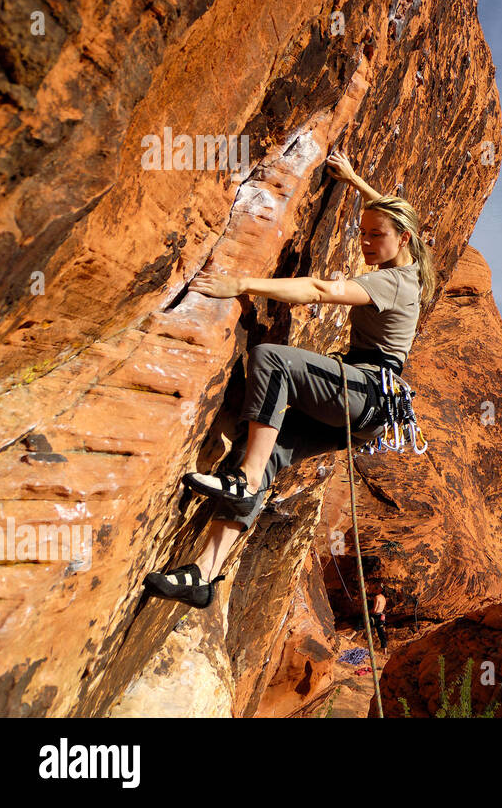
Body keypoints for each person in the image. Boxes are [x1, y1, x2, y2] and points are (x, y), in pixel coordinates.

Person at [143, 150, 437, 609]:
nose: (365, 242)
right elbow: (394, 216)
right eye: (361, 233)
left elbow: (321, 290)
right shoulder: (410, 266)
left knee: (273, 361)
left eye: (375, 236)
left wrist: (242, 284)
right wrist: (357, 180)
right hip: (365, 409)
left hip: (368, 391)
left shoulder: (393, 281)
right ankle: (202, 573)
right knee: (266, 449)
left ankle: (245, 478)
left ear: (403, 239)